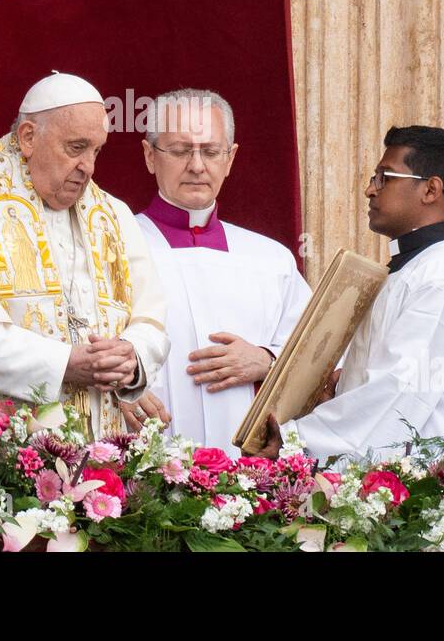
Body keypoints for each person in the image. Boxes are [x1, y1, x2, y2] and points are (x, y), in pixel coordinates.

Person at [0, 72, 169, 438]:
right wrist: (63, 364)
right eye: (76, 148)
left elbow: (151, 320)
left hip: (100, 448)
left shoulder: (113, 214)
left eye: (96, 151)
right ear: (28, 137)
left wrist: (131, 355)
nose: (89, 168)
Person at [258, 125, 444, 460]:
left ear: (431, 190)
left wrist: (297, 440)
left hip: (434, 489)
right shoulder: (411, 269)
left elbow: (398, 390)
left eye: (384, 177)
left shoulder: (442, 276)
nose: (369, 189)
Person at [131, 88, 310, 450]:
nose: (197, 166)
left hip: (246, 473)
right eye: (180, 150)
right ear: (150, 156)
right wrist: (120, 392)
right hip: (145, 463)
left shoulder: (270, 259)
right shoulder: (116, 244)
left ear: (230, 158)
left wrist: (267, 360)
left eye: (211, 151)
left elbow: (318, 355)